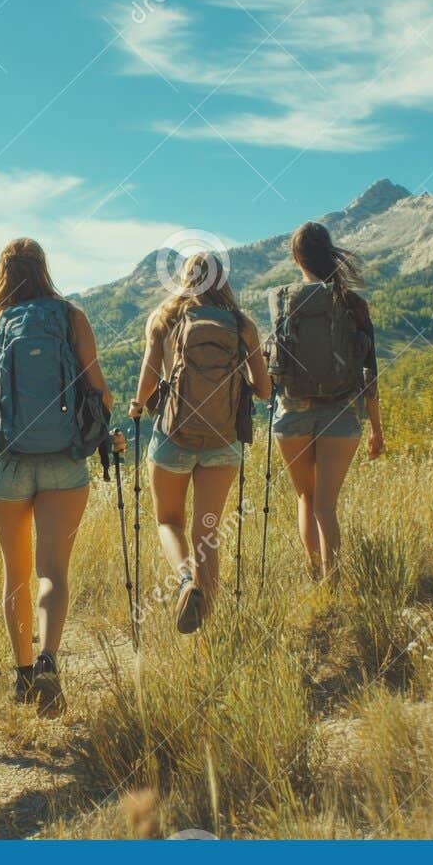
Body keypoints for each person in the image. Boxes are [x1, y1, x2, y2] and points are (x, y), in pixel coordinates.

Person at [0, 238, 121, 718]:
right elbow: (99, 389)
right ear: (44, 269)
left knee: (15, 572)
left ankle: (24, 675)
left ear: (2, 274)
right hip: (65, 461)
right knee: (53, 571)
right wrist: (101, 433)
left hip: (9, 463)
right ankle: (49, 656)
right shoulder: (71, 317)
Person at [129, 252, 270, 634]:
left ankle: (185, 579)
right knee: (207, 532)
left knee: (168, 521)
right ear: (224, 282)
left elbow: (147, 376)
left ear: (186, 279)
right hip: (223, 443)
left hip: (173, 438)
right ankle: (207, 625)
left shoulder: (165, 318)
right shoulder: (243, 325)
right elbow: (265, 389)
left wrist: (137, 406)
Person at [267, 221, 384, 582]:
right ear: (329, 253)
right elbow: (370, 374)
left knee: (306, 498)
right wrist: (377, 430)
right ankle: (332, 580)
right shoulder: (352, 303)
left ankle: (314, 576)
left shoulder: (281, 300)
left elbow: (274, 363)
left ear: (295, 257)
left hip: (292, 415)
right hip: (342, 414)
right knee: (326, 505)